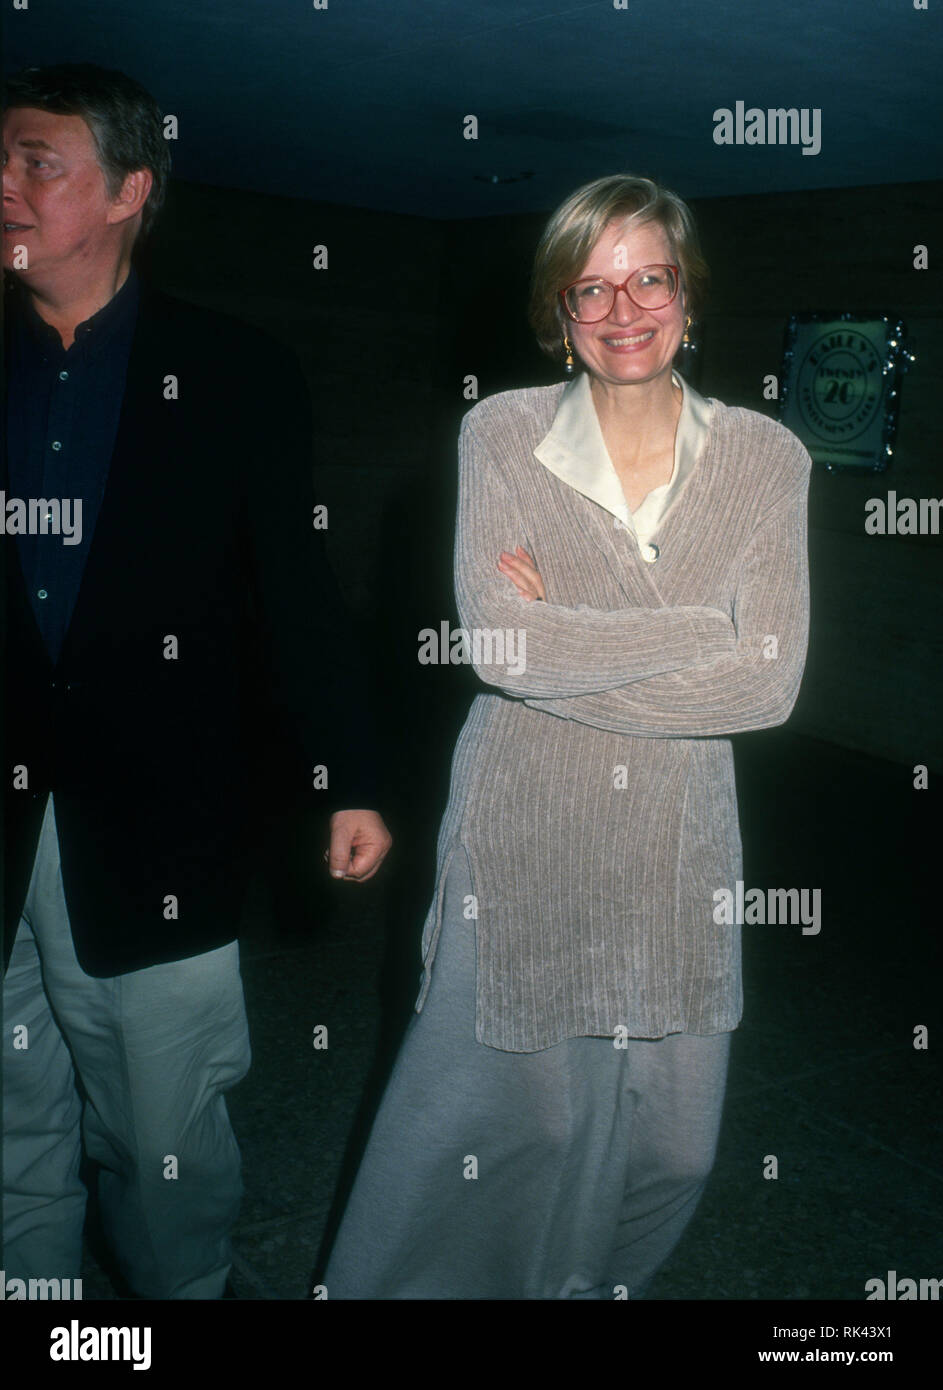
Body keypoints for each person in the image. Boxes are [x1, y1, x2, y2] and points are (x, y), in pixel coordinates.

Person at [322, 174, 811, 1300]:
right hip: (523, 823)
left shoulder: (765, 459)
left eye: (649, 278)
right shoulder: (500, 433)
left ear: (688, 295)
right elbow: (502, 652)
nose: (622, 309)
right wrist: (700, 627)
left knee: (672, 1145)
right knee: (494, 1126)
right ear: (557, 310)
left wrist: (568, 630)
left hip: (679, 846)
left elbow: (770, 683)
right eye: (589, 288)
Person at [1, 63, 392, 1300]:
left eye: (34, 162)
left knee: (161, 1132)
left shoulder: (232, 372)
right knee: (12, 1118)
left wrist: (349, 774)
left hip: (157, 820)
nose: (5, 189)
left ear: (127, 190)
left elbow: (297, 591)